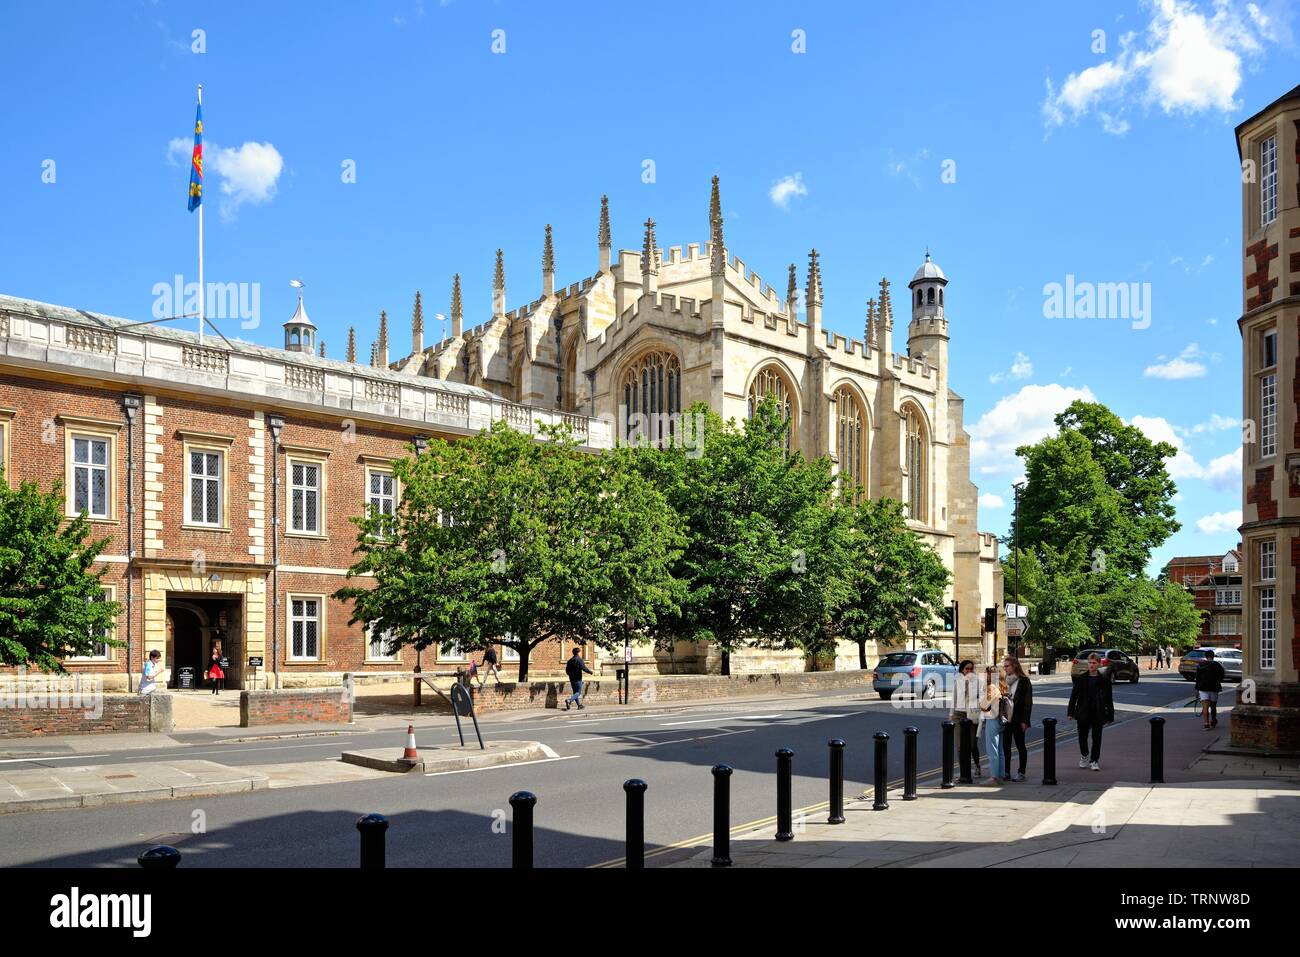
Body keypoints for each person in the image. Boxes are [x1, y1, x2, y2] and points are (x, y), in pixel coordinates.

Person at [1068, 652, 1115, 770]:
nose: (1091, 665)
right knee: (1082, 737)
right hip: (1083, 711)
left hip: (1098, 712)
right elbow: (1074, 697)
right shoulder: (1080, 679)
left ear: (1099, 664)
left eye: (1094, 663)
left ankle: (1094, 760)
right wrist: (1070, 712)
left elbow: (1109, 699)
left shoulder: (1104, 680)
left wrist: (1110, 715)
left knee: (1097, 738)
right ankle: (1084, 755)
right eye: (1090, 663)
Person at [1001, 656, 1033, 781]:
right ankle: (1007, 772)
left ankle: (1021, 772)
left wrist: (1025, 721)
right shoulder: (1004, 681)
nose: (1005, 668)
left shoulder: (1024, 681)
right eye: (1004, 666)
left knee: (1020, 745)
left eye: (1007, 666)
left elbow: (1028, 702)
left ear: (1014, 666)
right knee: (1006, 746)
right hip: (1006, 718)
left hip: (1018, 718)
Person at [950, 659, 983, 777]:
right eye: (966, 669)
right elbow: (953, 699)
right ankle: (963, 771)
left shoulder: (978, 682)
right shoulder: (958, 682)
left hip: (972, 715)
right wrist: (951, 714)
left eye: (971, 668)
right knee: (960, 746)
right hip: (959, 714)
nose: (969, 671)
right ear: (962, 670)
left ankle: (977, 765)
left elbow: (982, 699)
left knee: (972, 744)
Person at [978, 665, 1007, 784]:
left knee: (992, 750)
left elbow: (983, 705)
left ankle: (994, 777)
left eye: (986, 674)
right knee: (1000, 750)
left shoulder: (991, 688)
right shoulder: (1003, 686)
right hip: (1001, 721)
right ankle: (1000, 775)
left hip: (992, 720)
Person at [1196, 648, 1226, 730]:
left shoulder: (1200, 665)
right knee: (1213, 706)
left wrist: (1196, 689)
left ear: (1206, 656)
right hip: (1214, 688)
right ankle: (1213, 721)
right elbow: (1222, 675)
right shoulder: (1217, 665)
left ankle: (1206, 724)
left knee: (1205, 707)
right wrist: (1217, 681)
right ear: (1213, 656)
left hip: (1203, 688)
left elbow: (1197, 678)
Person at [563, 646, 593, 711]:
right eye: (580, 652)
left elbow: (567, 671)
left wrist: (570, 675)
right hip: (578, 679)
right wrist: (590, 672)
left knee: (575, 693)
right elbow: (584, 668)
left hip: (572, 679)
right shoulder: (579, 660)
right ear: (578, 653)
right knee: (578, 693)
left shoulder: (570, 661)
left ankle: (579, 705)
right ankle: (569, 700)